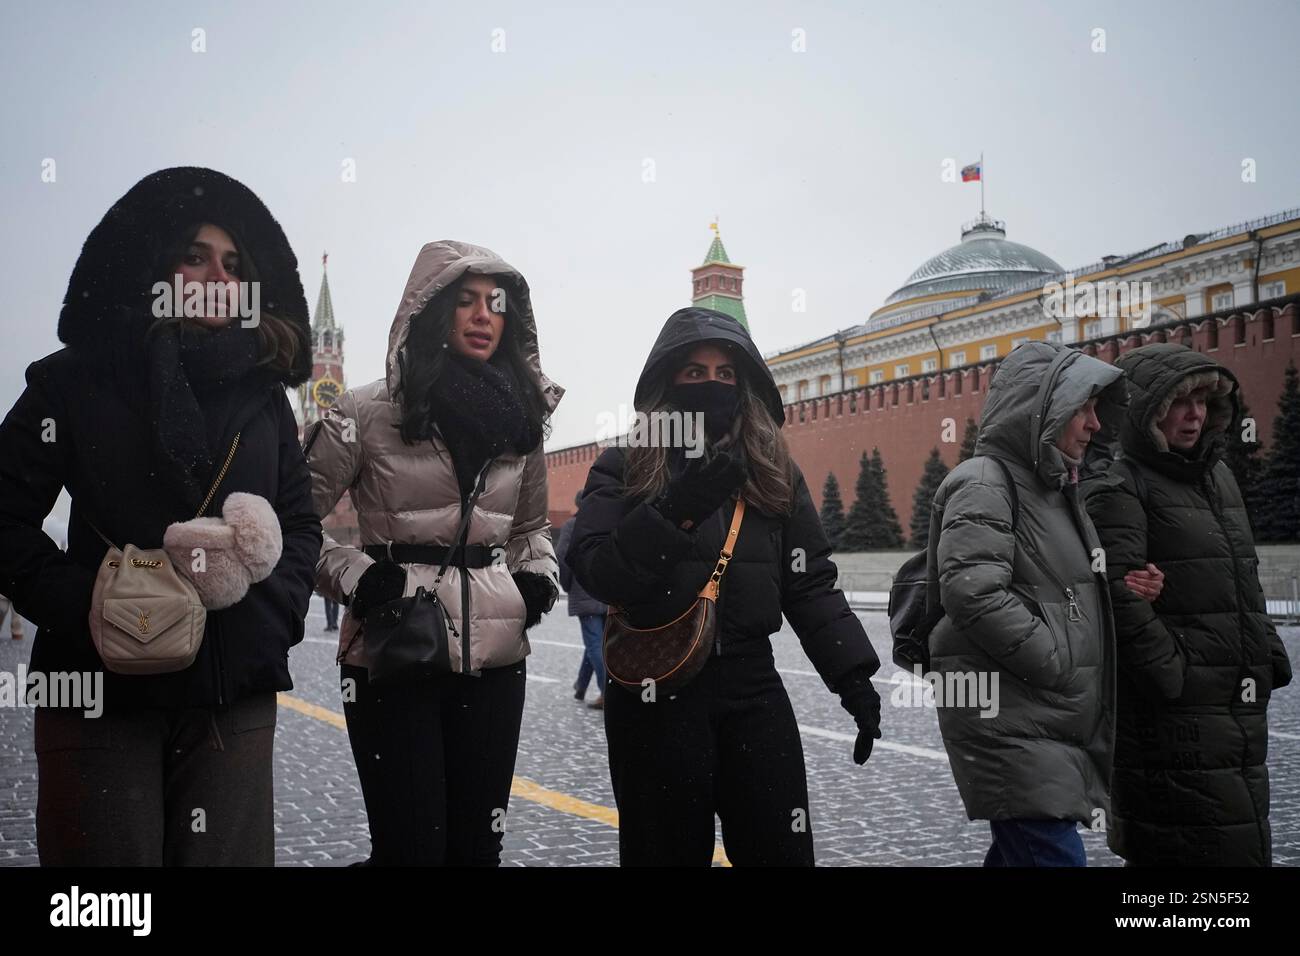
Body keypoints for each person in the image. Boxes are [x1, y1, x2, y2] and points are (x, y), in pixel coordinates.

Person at [0, 167, 322, 865]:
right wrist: (87, 603)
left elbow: (301, 523)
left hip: (231, 691)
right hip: (100, 692)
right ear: (157, 264)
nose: (215, 275)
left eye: (233, 264)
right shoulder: (73, 381)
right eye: (195, 255)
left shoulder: (267, 397)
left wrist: (275, 613)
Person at [567, 307, 881, 867]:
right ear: (667, 384)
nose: (711, 385)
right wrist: (674, 512)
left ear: (745, 386)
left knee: (781, 853)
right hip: (653, 694)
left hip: (753, 691)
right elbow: (597, 570)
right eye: (694, 373)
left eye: (725, 374)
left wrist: (852, 677)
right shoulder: (624, 467)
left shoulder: (771, 473)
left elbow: (809, 584)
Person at [306, 240, 563, 866]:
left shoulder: (522, 423)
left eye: (495, 304)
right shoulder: (363, 413)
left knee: (478, 850)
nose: (483, 316)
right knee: (411, 850)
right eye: (465, 301)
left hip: (497, 658)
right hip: (395, 649)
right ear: (432, 312)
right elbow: (287, 525)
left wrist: (536, 584)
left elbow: (531, 530)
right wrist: (363, 581)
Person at [927, 341, 1134, 867]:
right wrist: (1053, 658)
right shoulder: (985, 482)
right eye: (1082, 408)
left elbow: (1057, 587)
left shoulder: (1057, 491)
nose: (1094, 424)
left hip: (1044, 719)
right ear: (1043, 407)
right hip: (1011, 717)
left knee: (1024, 855)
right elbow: (972, 589)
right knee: (1050, 856)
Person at [1085, 343, 1293, 866]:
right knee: (1186, 850)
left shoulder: (1216, 477)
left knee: (1239, 836)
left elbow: (1242, 574)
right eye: (1179, 402)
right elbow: (1117, 588)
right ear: (1145, 409)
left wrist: (1267, 651)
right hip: (1175, 714)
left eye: (1203, 400)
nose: (1195, 414)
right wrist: (1172, 673)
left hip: (1237, 702)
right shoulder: (1121, 481)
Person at [554, 491, 607, 709]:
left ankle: (607, 692)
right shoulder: (605, 523)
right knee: (597, 642)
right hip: (605, 593)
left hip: (584, 591)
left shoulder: (572, 525)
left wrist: (567, 584)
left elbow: (563, 558)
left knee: (594, 643)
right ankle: (581, 685)